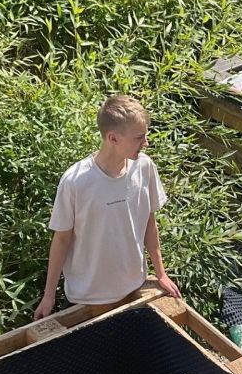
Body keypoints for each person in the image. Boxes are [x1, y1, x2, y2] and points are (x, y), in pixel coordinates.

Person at [34, 94, 180, 320]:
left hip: (134, 287)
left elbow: (149, 224)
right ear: (112, 138)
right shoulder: (76, 181)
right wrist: (48, 296)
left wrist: (161, 273)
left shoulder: (145, 168)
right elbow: (61, 239)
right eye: (139, 137)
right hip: (87, 297)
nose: (146, 142)